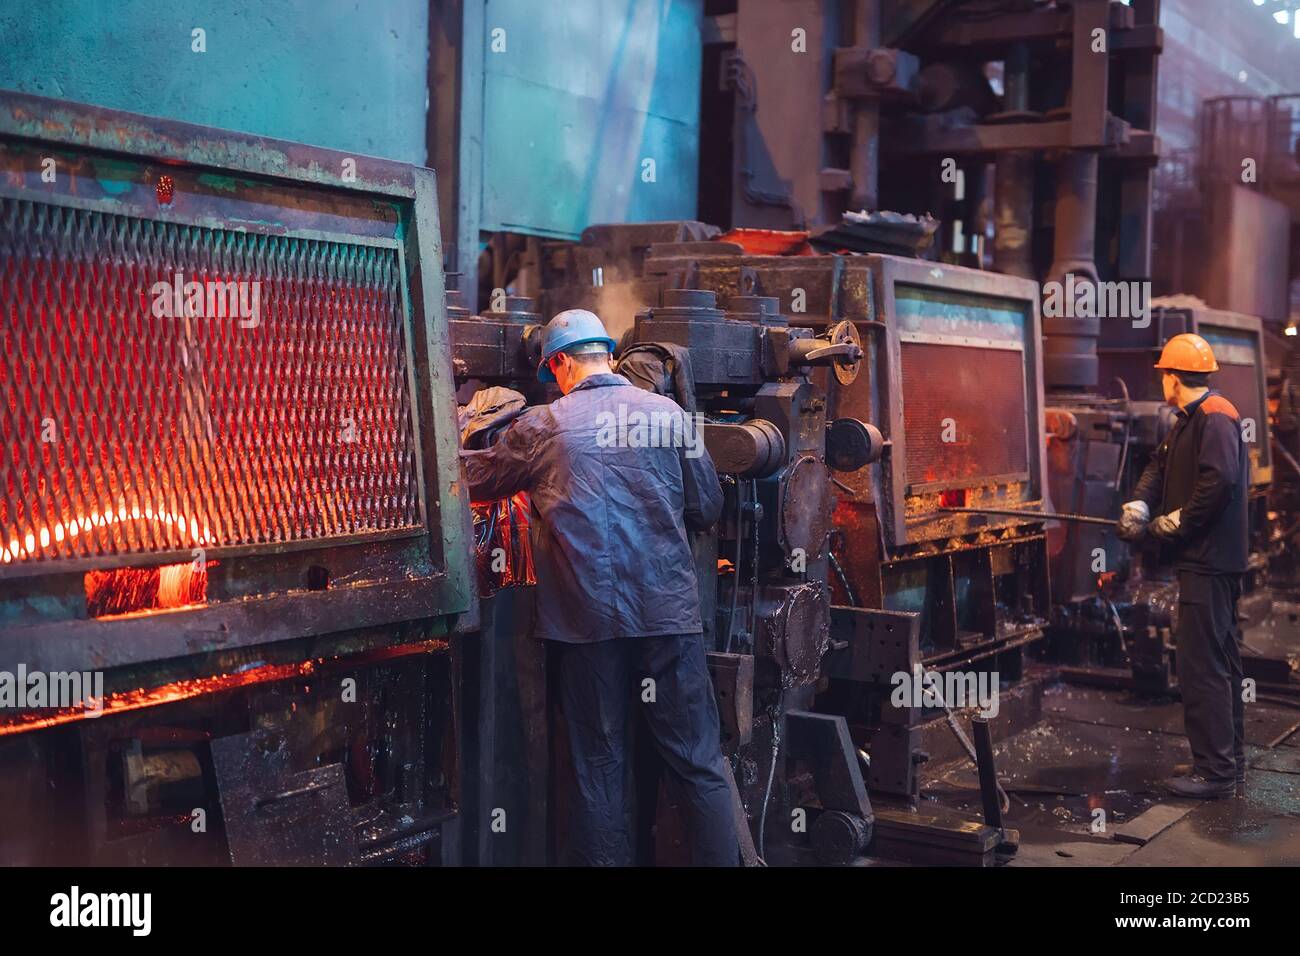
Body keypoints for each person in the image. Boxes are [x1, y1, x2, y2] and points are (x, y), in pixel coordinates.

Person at [460, 308, 738, 864]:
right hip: (667, 615)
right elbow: (707, 506)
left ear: (560, 362)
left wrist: (462, 426)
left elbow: (473, 480)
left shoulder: (544, 424)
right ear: (606, 355)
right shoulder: (668, 414)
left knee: (599, 766)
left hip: (586, 623)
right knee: (698, 761)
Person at [1117, 333, 1249, 799]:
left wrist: (1175, 524)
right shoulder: (1189, 420)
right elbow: (1159, 464)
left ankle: (1213, 772)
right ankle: (1226, 758)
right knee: (1222, 658)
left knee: (1202, 665)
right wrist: (1138, 504)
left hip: (1209, 562)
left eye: (1163, 376)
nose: (1162, 383)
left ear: (1174, 377)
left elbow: (1220, 482)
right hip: (1208, 561)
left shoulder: (1215, 417)